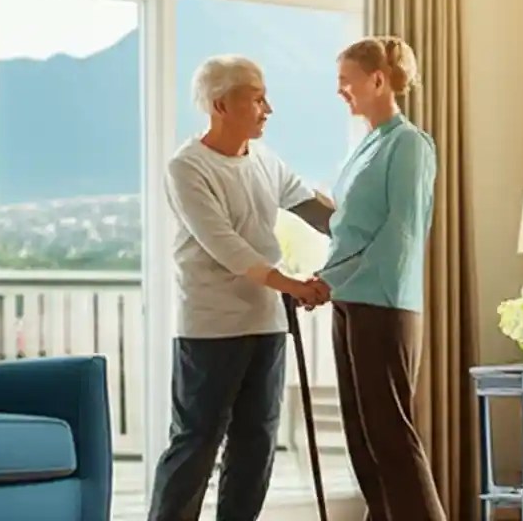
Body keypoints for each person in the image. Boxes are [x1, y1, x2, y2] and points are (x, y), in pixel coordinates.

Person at [148, 55, 335, 521]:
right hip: (211, 327)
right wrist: (290, 282)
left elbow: (312, 210)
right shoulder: (186, 167)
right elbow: (226, 248)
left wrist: (360, 228)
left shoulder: (266, 161)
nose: (267, 108)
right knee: (197, 442)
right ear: (220, 105)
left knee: (257, 443)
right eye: (256, 98)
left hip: (266, 322)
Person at [312, 36, 446, 520]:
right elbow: (348, 225)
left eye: (347, 81)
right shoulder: (368, 144)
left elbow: (400, 235)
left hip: (384, 304)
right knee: (364, 440)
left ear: (378, 79)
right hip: (350, 300)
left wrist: (332, 280)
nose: (341, 91)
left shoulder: (409, 144)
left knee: (392, 437)